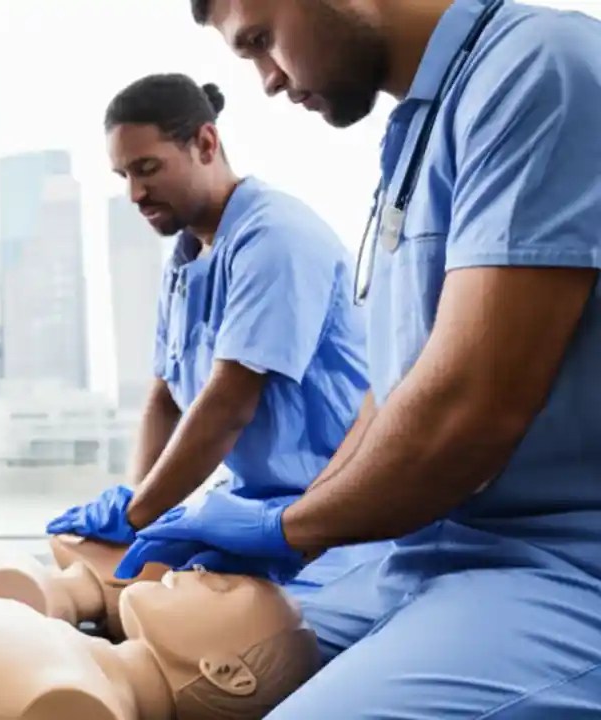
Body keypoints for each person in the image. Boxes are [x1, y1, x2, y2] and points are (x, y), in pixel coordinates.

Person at [120, 0, 601, 716]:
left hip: (561, 571)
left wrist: (287, 528)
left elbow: (466, 414)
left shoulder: (541, 70)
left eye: (261, 42)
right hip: (419, 555)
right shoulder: (416, 137)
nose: (269, 81)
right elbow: (394, 389)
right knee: (184, 672)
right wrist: (301, 535)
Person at [45, 74, 387, 592]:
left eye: (148, 168)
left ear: (206, 144)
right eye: (123, 176)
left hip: (334, 522)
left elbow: (228, 405)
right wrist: (138, 512)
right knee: (110, 591)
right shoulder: (186, 258)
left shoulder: (274, 237)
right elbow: (164, 401)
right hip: (256, 509)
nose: (136, 193)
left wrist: (138, 515)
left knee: (216, 643)